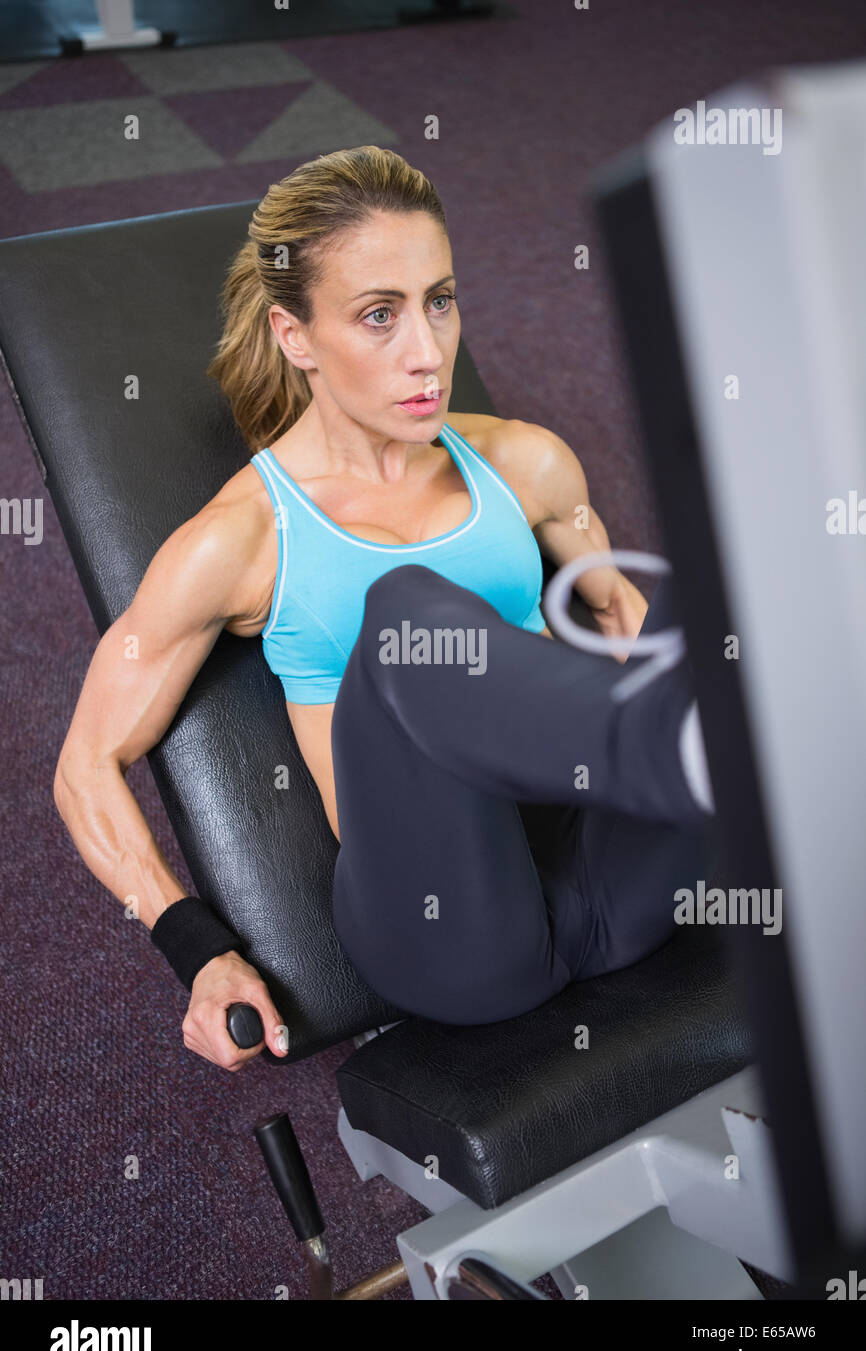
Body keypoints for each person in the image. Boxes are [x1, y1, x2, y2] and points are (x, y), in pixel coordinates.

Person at [53, 146, 715, 1071]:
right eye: (378, 316)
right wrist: (195, 950)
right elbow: (87, 764)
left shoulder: (525, 462)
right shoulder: (242, 540)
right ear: (295, 336)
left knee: (726, 581)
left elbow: (621, 625)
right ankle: (703, 762)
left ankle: (718, 771)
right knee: (409, 614)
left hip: (619, 880)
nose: (426, 352)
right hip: (456, 938)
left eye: (439, 301)